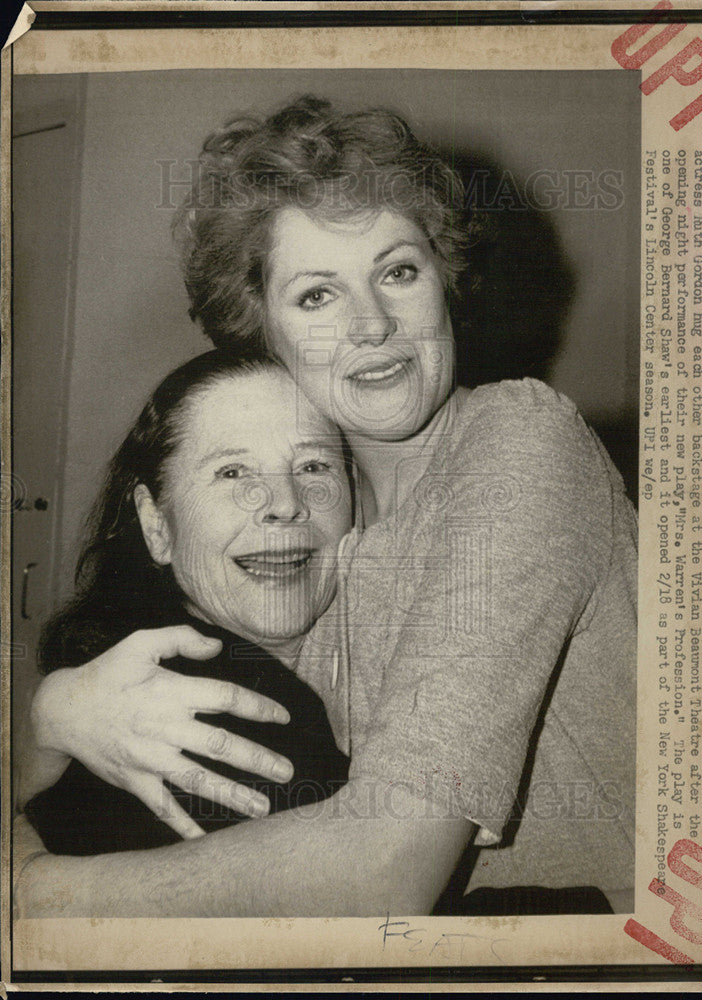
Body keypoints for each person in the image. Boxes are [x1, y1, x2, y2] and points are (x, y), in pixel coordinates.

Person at [15, 96, 637, 918]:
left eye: (398, 271)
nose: (372, 325)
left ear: (445, 284)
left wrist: (32, 896)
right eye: (317, 296)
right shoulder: (327, 529)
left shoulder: (519, 441)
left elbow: (382, 871)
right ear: (263, 332)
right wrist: (48, 719)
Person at [22, 351, 351, 854]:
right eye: (233, 472)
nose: (286, 504)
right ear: (157, 525)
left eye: (313, 464)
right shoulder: (194, 722)